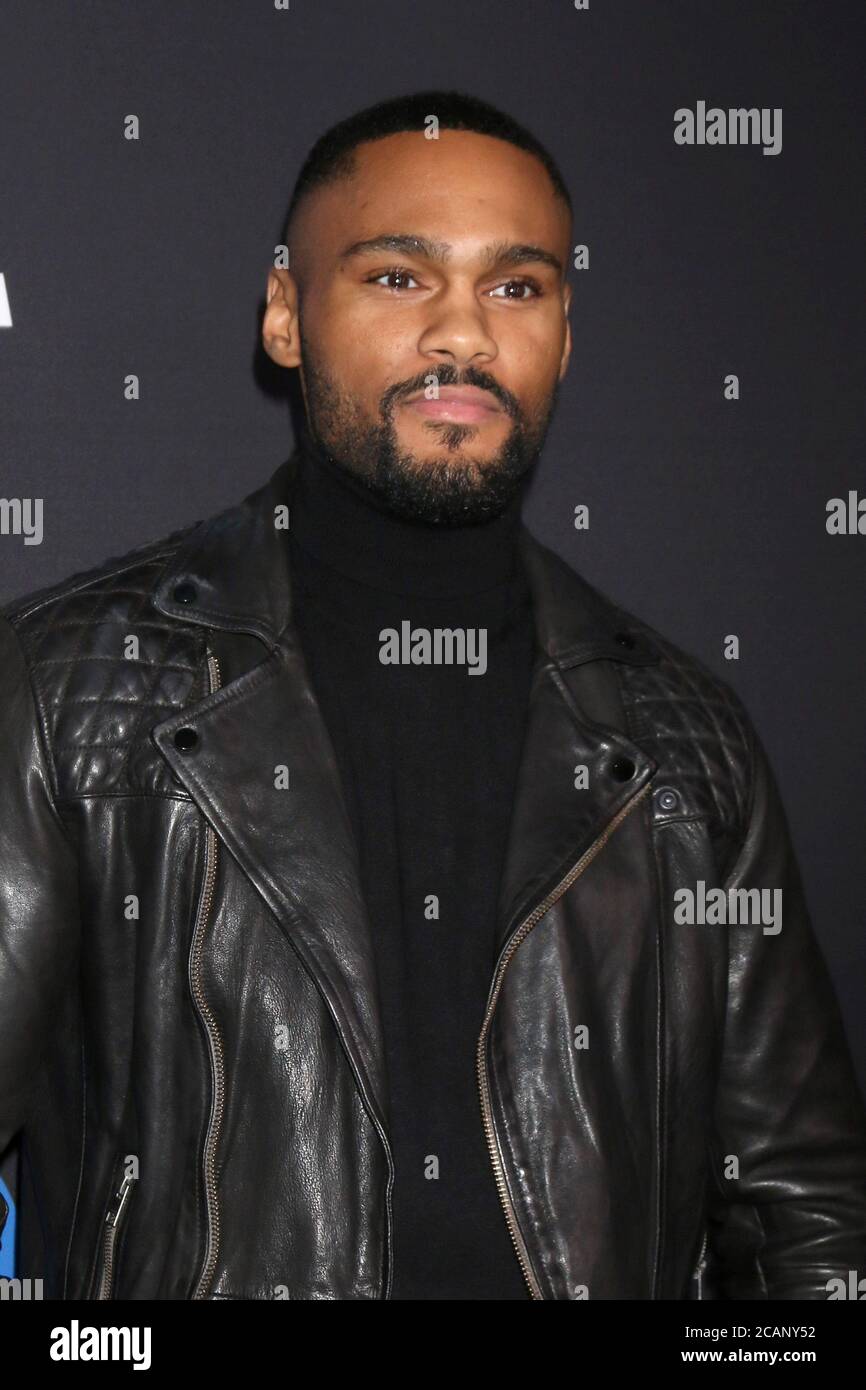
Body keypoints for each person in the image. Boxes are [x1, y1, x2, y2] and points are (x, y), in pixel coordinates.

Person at [1, 89, 865, 1301]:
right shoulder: (71, 689)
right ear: (287, 315)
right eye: (399, 278)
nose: (462, 336)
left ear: (563, 335)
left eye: (516, 287)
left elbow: (804, 1209)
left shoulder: (681, 739)